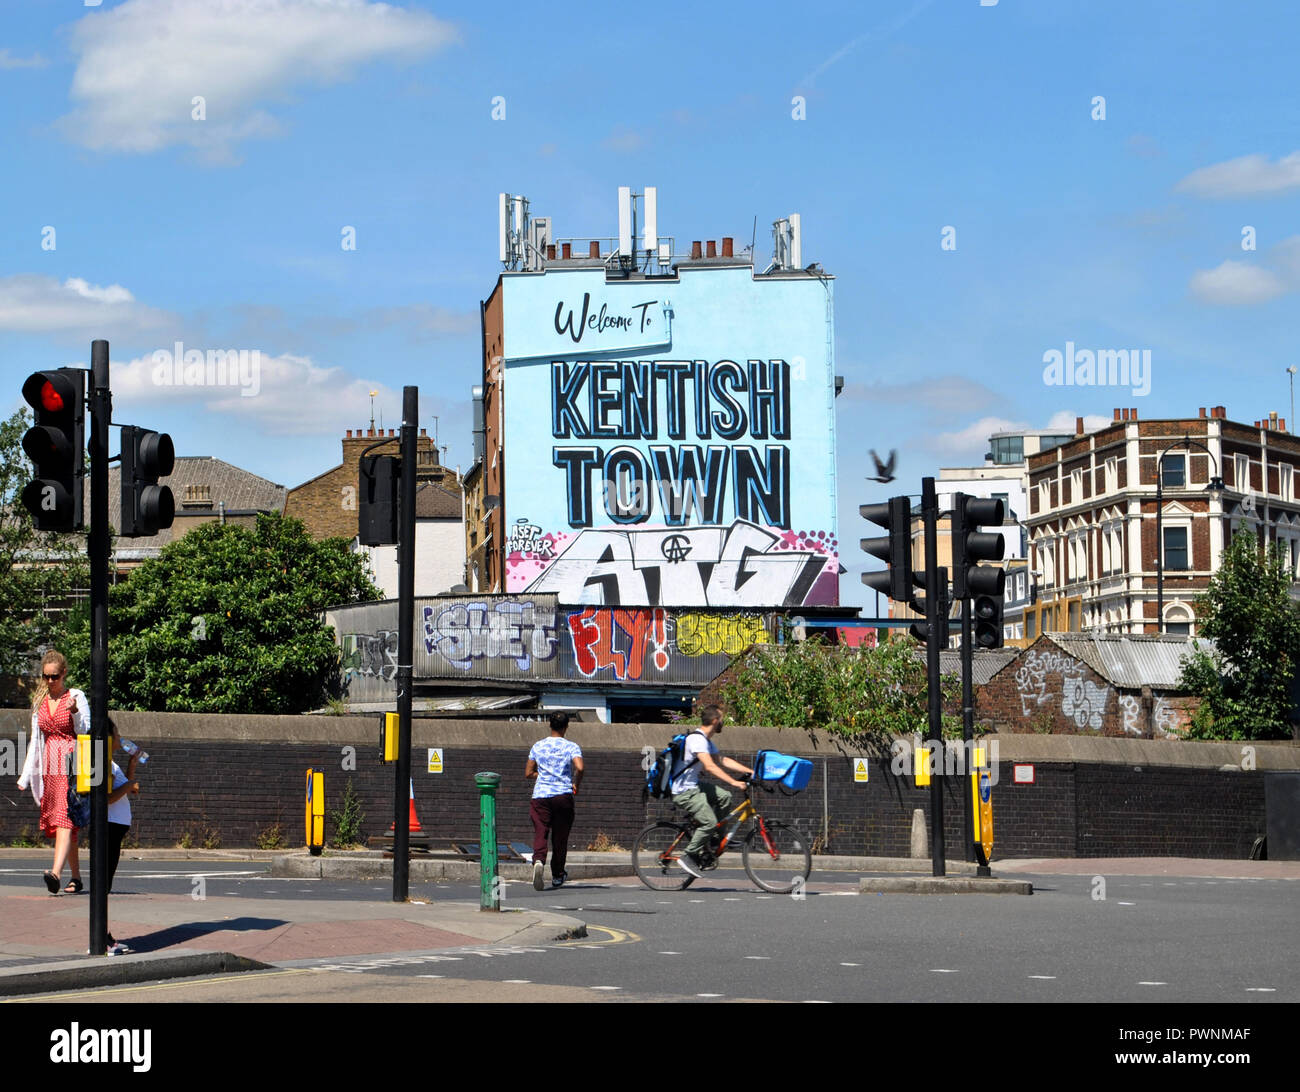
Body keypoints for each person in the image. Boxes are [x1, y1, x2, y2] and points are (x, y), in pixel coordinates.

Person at [17, 650, 89, 895]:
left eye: (54, 676)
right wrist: (26, 776)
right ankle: (77, 878)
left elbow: (86, 731)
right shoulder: (40, 703)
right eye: (46, 677)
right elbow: (36, 743)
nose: (50, 681)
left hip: (71, 765)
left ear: (64, 673)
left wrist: (75, 711)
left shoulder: (76, 696)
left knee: (64, 819)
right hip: (50, 768)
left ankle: (56, 873)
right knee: (63, 825)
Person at [671, 705, 752, 878]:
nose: (723, 722)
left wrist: (751, 772)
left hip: (694, 786)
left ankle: (715, 838)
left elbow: (723, 760)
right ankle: (689, 855)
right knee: (709, 822)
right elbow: (709, 766)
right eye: (722, 719)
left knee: (725, 797)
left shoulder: (706, 740)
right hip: (684, 791)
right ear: (715, 721)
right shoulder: (697, 740)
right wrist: (733, 782)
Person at [524, 712, 583, 890]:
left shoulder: (538, 746)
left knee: (541, 831)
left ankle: (539, 861)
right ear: (566, 727)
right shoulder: (571, 746)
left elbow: (528, 773)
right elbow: (580, 767)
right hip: (562, 795)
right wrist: (575, 783)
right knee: (560, 837)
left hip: (541, 796)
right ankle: (557, 875)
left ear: (550, 725)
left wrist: (541, 774)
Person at [103, 721, 141, 955]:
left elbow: (124, 788)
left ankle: (104, 936)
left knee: (105, 884)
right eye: (117, 734)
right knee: (104, 885)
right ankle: (103, 939)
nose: (120, 737)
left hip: (115, 828)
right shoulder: (104, 764)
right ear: (108, 738)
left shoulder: (112, 764)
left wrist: (132, 767)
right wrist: (128, 786)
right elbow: (108, 798)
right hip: (109, 827)